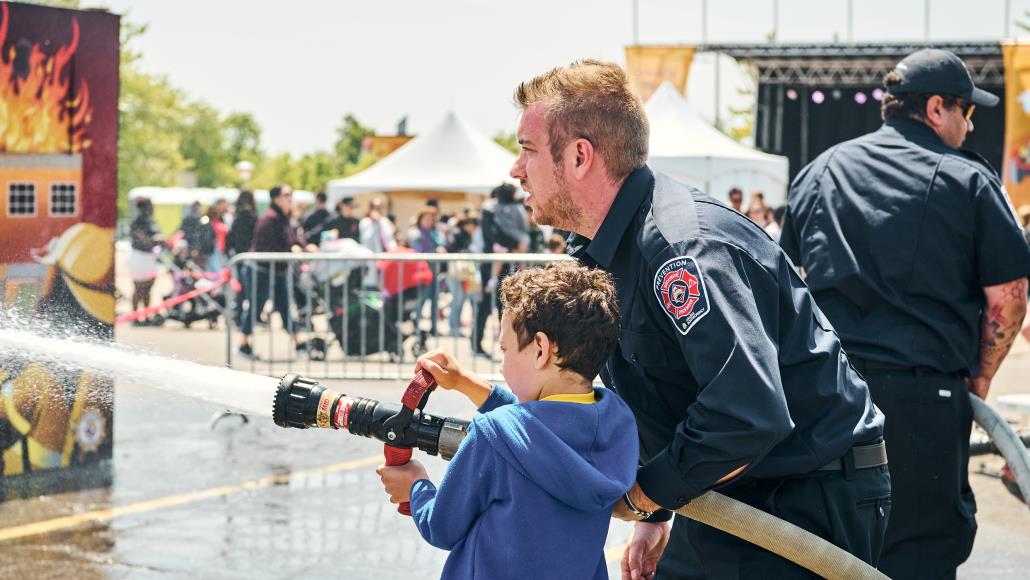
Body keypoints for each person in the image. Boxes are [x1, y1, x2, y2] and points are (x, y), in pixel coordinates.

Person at [509, 60, 889, 579]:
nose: (515, 168)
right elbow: (668, 384)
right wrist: (660, 507)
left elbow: (746, 413)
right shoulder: (609, 247)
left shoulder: (682, 249)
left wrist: (646, 496)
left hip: (804, 499)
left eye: (527, 150)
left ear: (579, 156)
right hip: (730, 491)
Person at [782, 48, 1030, 579]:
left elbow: (789, 289)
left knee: (823, 553)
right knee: (918, 554)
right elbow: (1008, 298)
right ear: (937, 107)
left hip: (824, 401)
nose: (969, 125)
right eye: (968, 111)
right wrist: (980, 379)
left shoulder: (819, 171)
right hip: (921, 406)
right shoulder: (969, 178)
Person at [378, 262, 638, 579]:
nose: (501, 366)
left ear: (541, 349)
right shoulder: (616, 422)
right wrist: (468, 384)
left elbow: (442, 527)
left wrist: (415, 486)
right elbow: (542, 430)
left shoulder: (493, 437)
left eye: (505, 349)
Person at [237, 184, 313, 359]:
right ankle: (243, 344)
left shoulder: (282, 217)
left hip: (277, 270)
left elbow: (292, 237)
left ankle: (298, 343)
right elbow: (267, 245)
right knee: (256, 306)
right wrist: (290, 249)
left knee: (285, 305)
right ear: (276, 198)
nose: (290, 198)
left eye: (291, 194)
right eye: (286, 195)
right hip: (261, 270)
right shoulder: (269, 218)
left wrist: (304, 245)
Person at [127, 197, 166, 325]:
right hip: (139, 256)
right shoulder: (138, 221)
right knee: (138, 287)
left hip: (150, 256)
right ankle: (135, 316)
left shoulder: (152, 221)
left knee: (148, 288)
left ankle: (146, 314)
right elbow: (142, 237)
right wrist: (154, 239)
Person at [358, 197, 397, 289]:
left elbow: (389, 239)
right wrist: (374, 224)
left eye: (379, 207)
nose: (377, 209)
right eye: (374, 207)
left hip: (385, 261)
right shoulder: (365, 222)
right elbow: (366, 240)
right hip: (370, 262)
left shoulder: (384, 221)